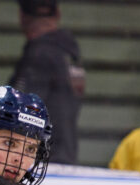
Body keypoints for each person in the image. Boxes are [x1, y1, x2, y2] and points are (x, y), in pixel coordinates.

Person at [9, 0, 84, 165]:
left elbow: (20, 111)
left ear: (22, 17)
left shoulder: (38, 55)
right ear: (58, 13)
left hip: (38, 161)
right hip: (65, 155)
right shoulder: (69, 54)